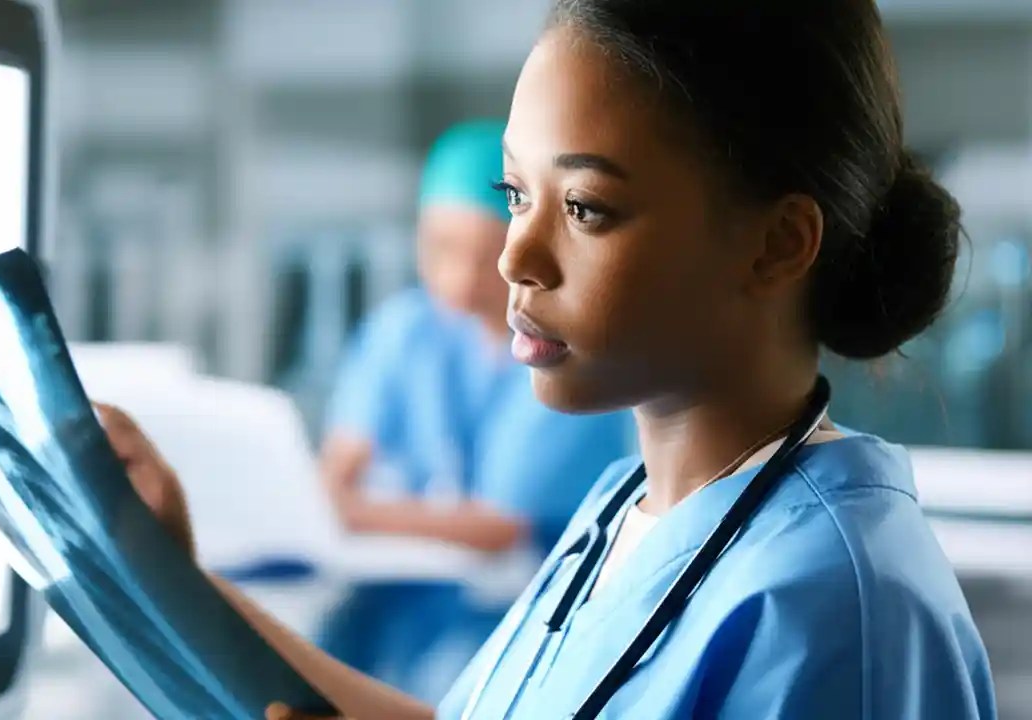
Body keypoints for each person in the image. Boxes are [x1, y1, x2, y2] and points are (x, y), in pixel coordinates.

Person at [98, 0, 998, 716]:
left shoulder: (846, 609)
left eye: (586, 208)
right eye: (515, 192)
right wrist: (168, 578)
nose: (511, 259)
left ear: (773, 246)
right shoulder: (618, 514)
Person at [316, 119, 633, 701]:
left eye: (486, 254)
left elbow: (496, 525)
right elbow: (342, 460)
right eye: (441, 250)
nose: (460, 281)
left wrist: (350, 512)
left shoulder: (564, 354)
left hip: (514, 612)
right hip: (397, 602)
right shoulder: (404, 332)